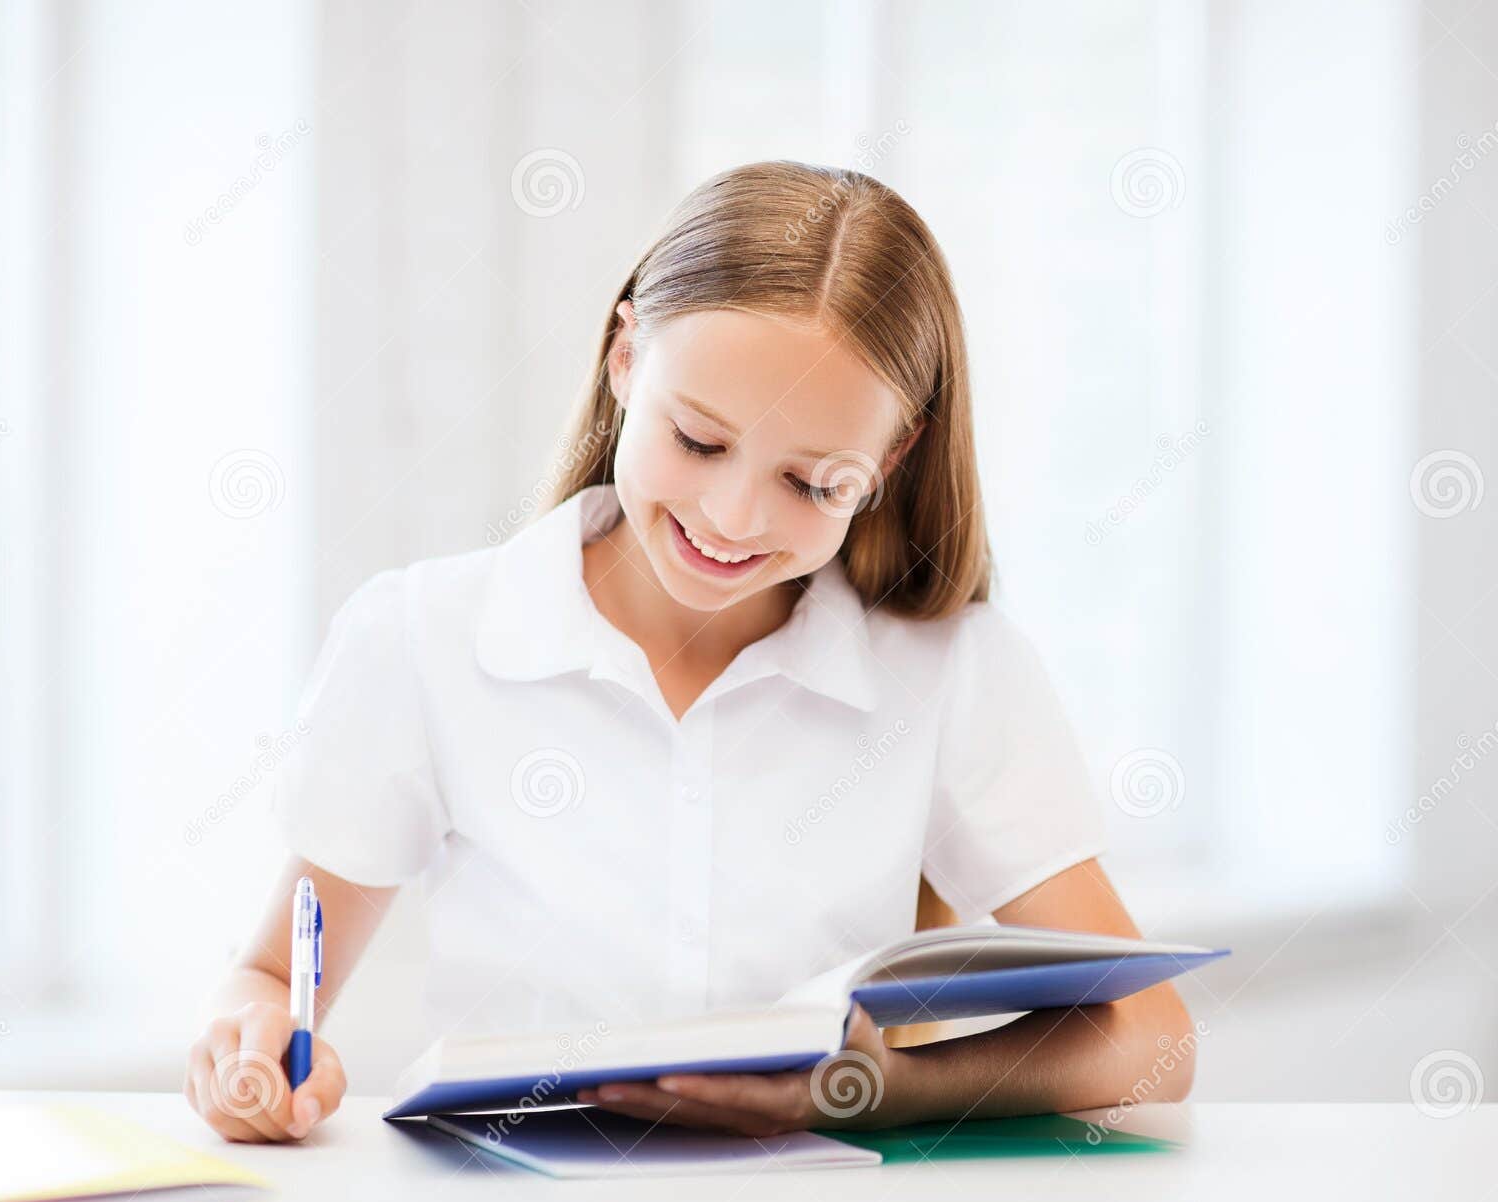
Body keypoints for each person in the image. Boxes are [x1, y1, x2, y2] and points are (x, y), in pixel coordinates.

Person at [184, 161, 1194, 1143]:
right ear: (626, 354)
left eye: (812, 483)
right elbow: (272, 977)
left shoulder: (952, 667)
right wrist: (254, 1043)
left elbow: (1150, 1039)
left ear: (888, 460)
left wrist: (863, 1088)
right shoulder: (420, 636)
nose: (731, 516)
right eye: (700, 441)